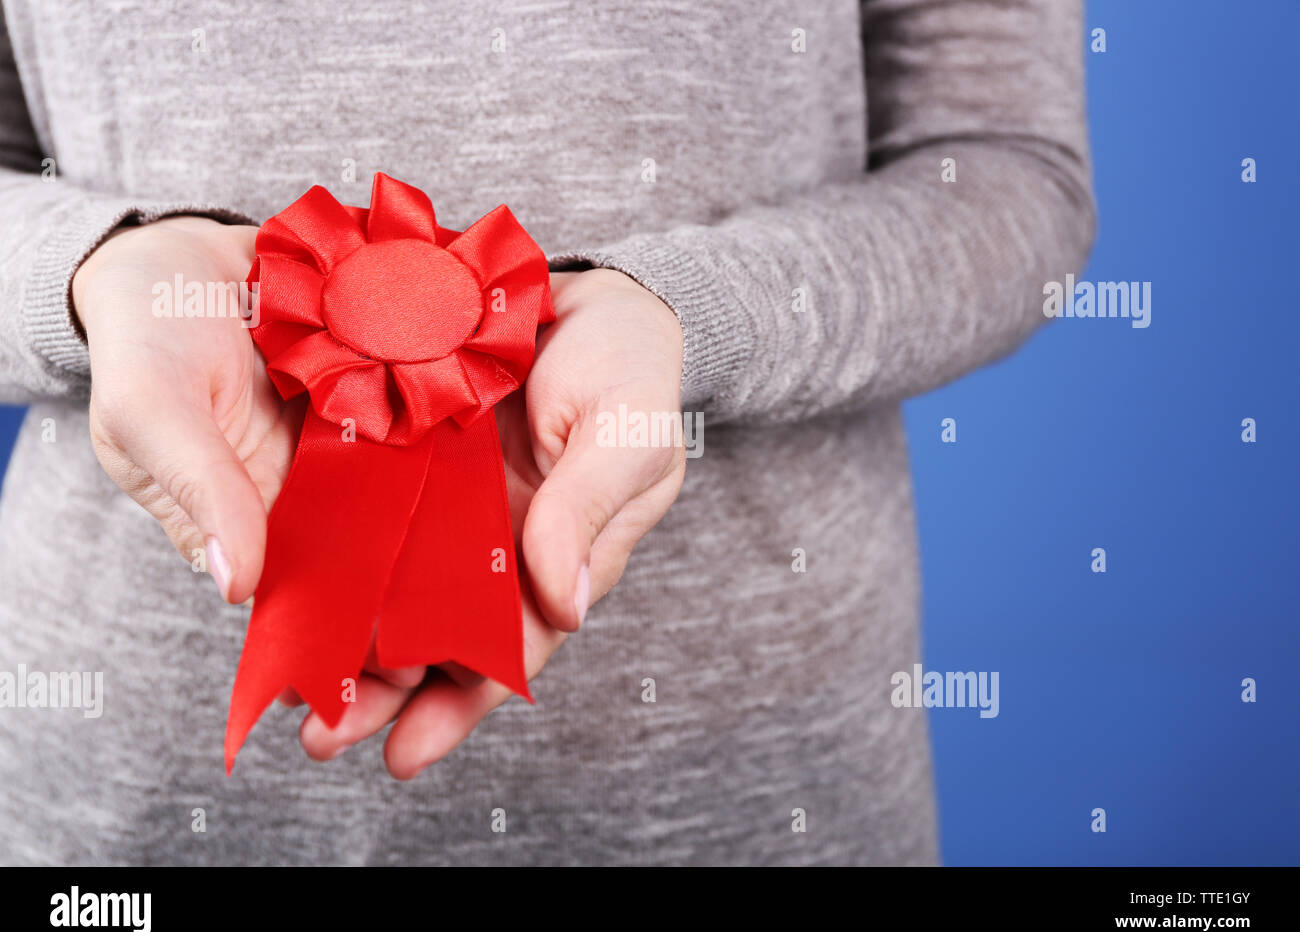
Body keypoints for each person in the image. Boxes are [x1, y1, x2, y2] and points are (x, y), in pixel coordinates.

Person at [0, 0, 1094, 865]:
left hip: (749, 793)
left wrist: (690, 313)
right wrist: (97, 272)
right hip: (120, 794)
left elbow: (1005, 166)